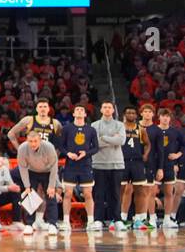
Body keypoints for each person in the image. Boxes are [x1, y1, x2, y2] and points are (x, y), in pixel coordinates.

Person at [58, 104, 98, 232]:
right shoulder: (66, 129)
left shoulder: (91, 130)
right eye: (77, 110)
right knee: (68, 193)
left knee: (88, 194)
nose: (80, 111)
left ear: (85, 115)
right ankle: (65, 222)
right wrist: (68, 153)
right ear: (73, 114)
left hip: (85, 166)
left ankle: (91, 221)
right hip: (70, 166)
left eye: (82, 110)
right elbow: (61, 146)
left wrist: (86, 153)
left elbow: (96, 148)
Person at [17, 130, 60, 237]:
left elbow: (54, 167)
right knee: (30, 196)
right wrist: (27, 186)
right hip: (32, 172)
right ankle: (29, 224)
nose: (33, 144)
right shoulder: (22, 148)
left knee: (51, 196)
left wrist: (51, 185)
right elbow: (22, 167)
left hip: (48, 172)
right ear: (27, 140)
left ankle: (53, 224)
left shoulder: (49, 147)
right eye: (30, 141)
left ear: (40, 140)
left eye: (35, 141)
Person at [92, 101, 125, 231]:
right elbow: (95, 143)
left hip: (116, 164)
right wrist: (112, 138)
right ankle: (98, 220)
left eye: (109, 107)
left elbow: (121, 140)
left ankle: (117, 220)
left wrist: (103, 138)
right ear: (101, 109)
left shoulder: (120, 125)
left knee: (115, 194)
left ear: (113, 110)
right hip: (99, 163)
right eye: (104, 107)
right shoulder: (94, 125)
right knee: (99, 194)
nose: (107, 109)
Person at [122, 105, 154, 229]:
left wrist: (145, 154)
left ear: (136, 115)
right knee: (122, 190)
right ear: (124, 115)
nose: (131, 114)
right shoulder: (120, 128)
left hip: (137, 162)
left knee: (139, 190)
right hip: (123, 162)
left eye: (133, 113)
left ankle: (139, 218)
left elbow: (147, 144)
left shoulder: (141, 129)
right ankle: (121, 218)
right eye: (128, 112)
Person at [153, 108, 184, 229]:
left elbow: (184, 146)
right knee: (151, 192)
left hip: (169, 165)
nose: (165, 118)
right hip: (155, 165)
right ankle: (152, 218)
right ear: (159, 117)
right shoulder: (153, 130)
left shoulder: (175, 132)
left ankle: (167, 219)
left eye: (167, 116)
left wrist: (177, 155)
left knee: (169, 192)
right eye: (163, 116)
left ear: (170, 118)